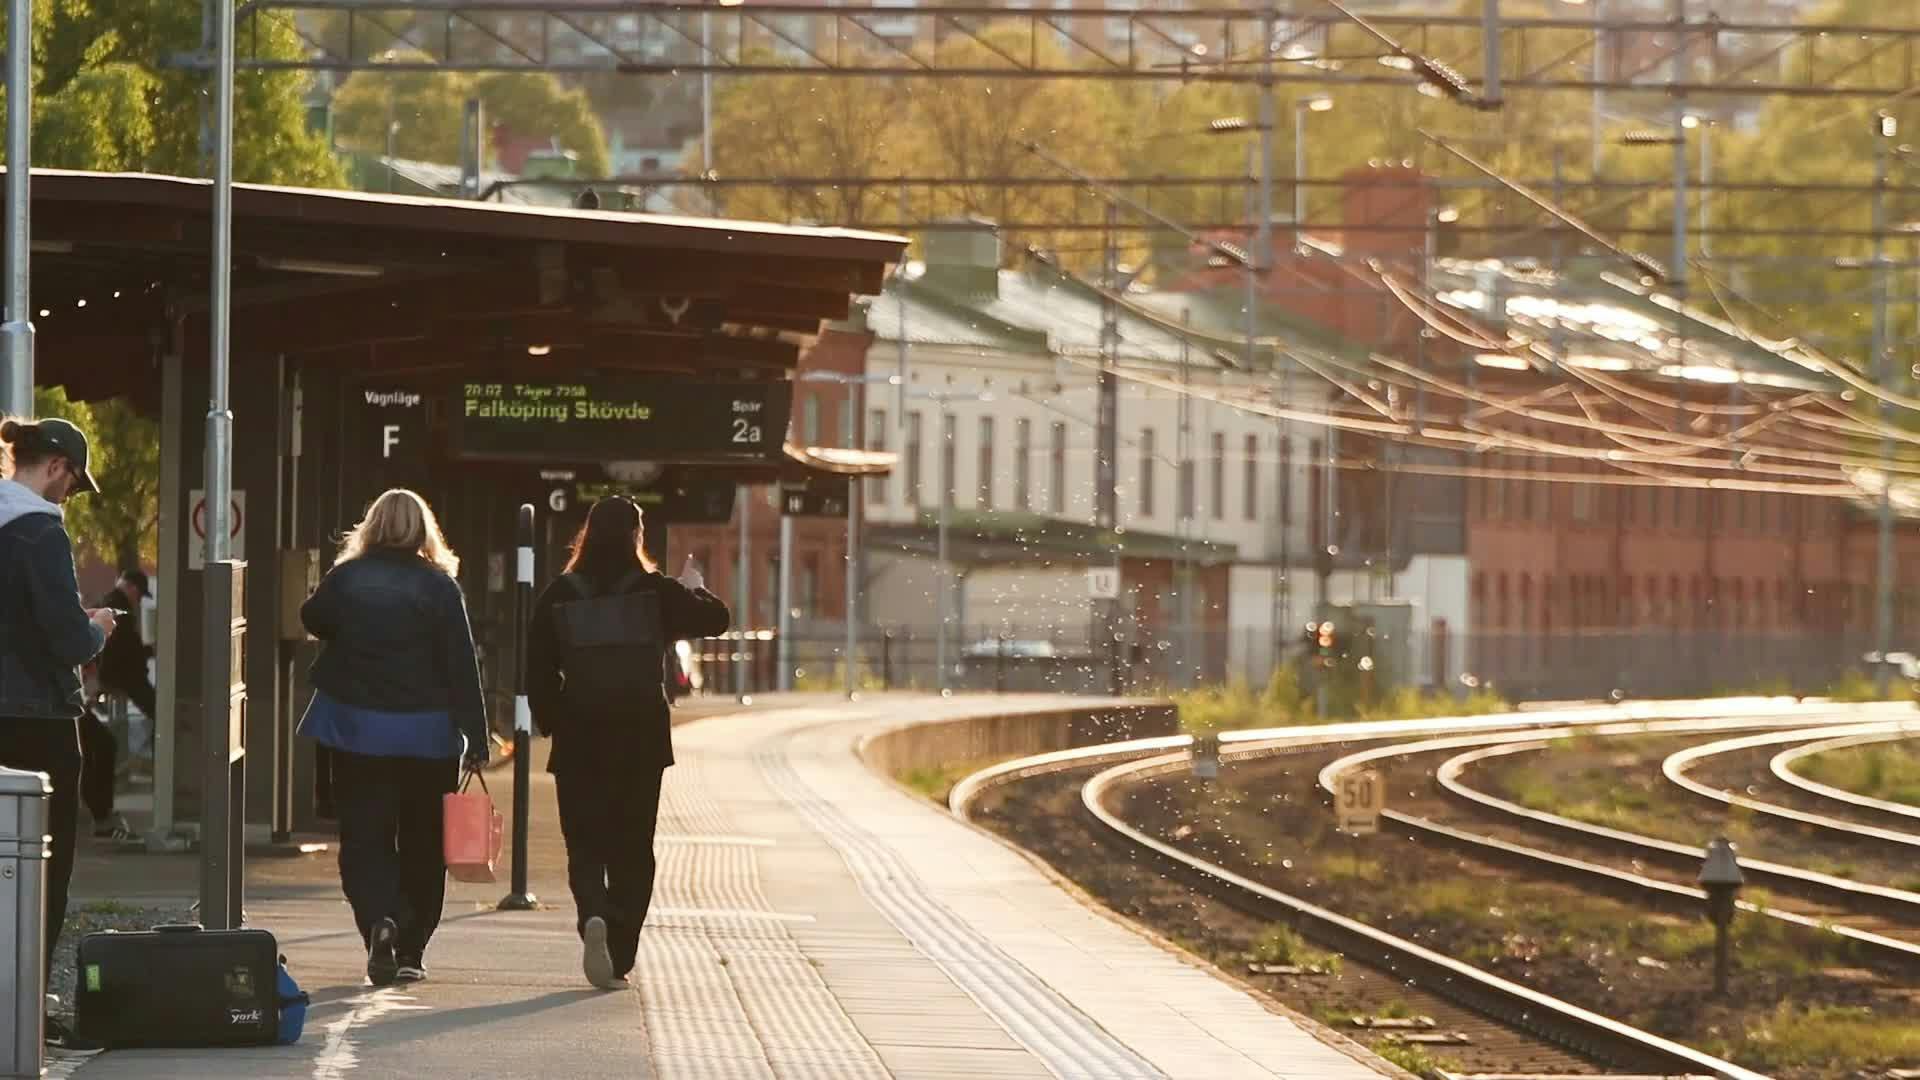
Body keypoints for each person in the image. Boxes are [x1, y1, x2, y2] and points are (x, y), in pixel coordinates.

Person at [527, 497, 728, 990]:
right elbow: (716, 620)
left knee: (585, 842)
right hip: (639, 734)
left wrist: (553, 719)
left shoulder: (559, 594)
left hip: (580, 733)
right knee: (633, 846)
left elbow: (536, 669)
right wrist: (694, 589)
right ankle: (618, 952)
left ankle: (593, 911)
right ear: (636, 537)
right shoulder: (655, 591)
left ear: (588, 533)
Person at [297, 489, 490, 987]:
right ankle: (411, 948)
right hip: (428, 736)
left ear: (373, 526)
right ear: (424, 530)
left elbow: (312, 619)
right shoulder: (441, 588)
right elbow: (461, 664)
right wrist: (477, 734)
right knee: (424, 842)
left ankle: (378, 922)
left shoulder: (348, 580)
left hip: (357, 730)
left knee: (365, 837)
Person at [0, 417, 114, 1047]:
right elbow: (65, 640)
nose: (69, 497)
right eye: (73, 484)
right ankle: (22, 1015)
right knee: (41, 870)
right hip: (36, 725)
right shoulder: (39, 533)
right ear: (58, 467)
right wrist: (97, 625)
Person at [83, 569, 151, 838]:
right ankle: (101, 815)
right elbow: (123, 655)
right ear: (133, 589)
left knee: (97, 747)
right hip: (67, 700)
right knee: (98, 747)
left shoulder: (105, 602)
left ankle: (101, 813)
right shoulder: (115, 610)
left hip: (76, 696)